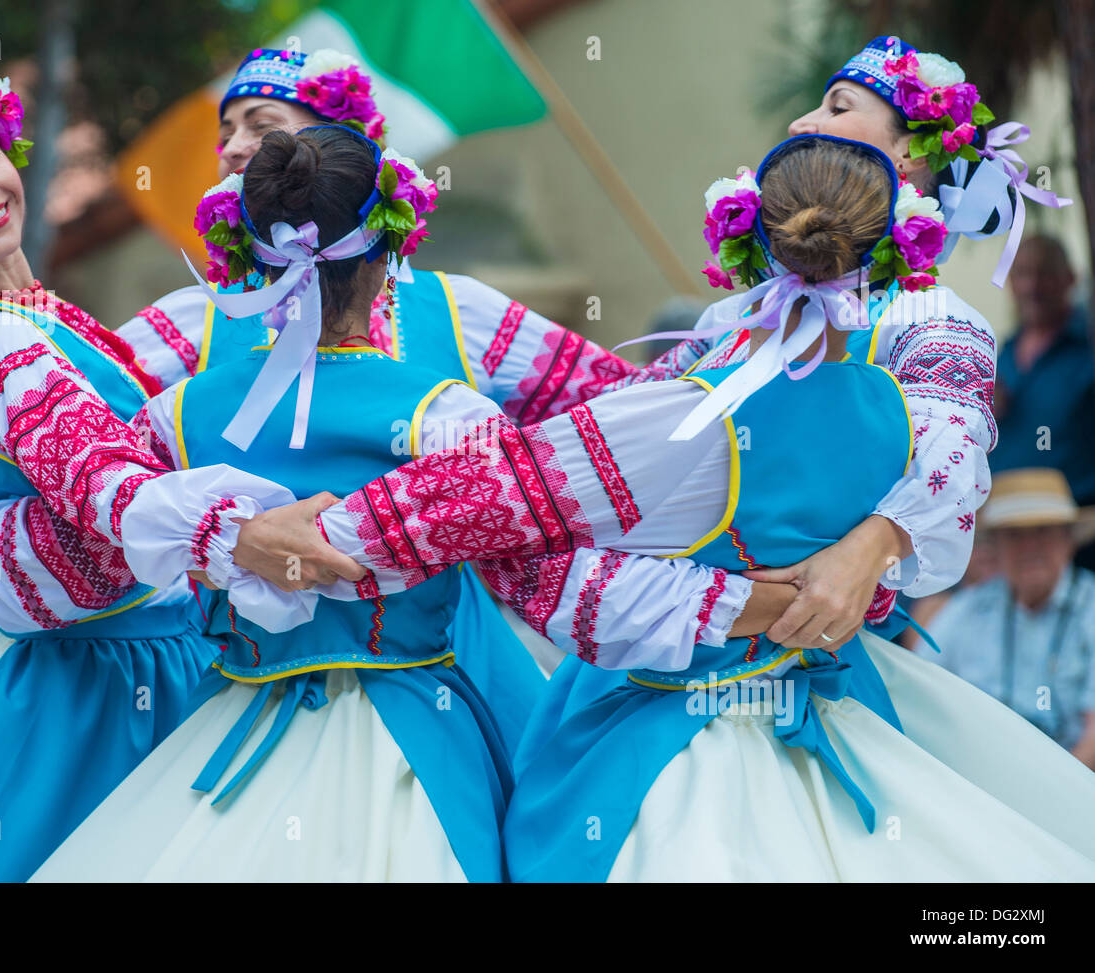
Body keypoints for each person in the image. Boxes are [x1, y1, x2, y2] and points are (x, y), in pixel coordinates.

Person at [256, 134, 1095, 881]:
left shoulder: (692, 415)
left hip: (680, 747)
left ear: (746, 243)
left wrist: (289, 539)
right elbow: (932, 527)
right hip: (833, 715)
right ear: (879, 262)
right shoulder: (900, 412)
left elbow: (498, 498)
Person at [0, 68, 361, 881]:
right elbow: (103, 482)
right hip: (103, 679)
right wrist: (240, 535)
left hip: (128, 656)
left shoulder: (29, 312)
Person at [31, 126, 513, 880]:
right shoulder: (449, 414)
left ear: (250, 256)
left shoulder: (177, 413)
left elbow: (87, 519)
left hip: (226, 719)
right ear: (386, 261)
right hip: (412, 727)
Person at [917, 468, 1095, 767]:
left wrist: (1058, 794)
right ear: (996, 547)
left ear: (1068, 540)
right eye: (1015, 535)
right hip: (982, 782)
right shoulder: (967, 609)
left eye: (1043, 531)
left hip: (1078, 783)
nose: (1029, 548)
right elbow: (920, 694)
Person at [992, 236, 1095, 565]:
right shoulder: (1002, 356)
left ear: (1070, 278)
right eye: (1022, 274)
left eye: (1045, 273)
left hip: (1077, 540)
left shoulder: (1087, 350)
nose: (1032, 286)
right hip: (1005, 540)